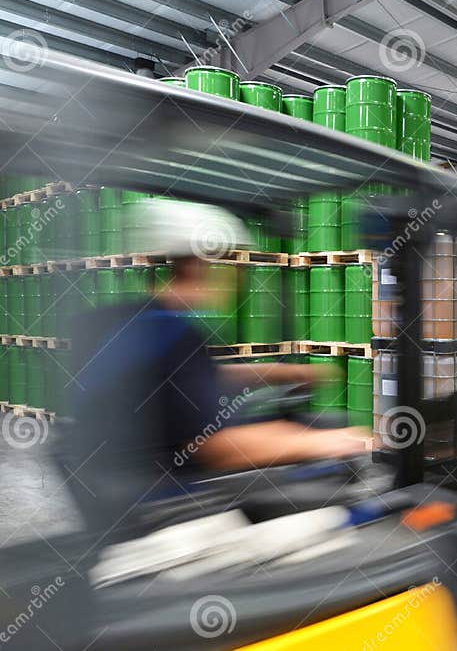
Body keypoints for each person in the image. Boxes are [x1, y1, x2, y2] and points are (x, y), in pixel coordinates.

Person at [68, 200, 369, 541]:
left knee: (300, 430)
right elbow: (217, 446)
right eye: (231, 266)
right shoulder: (175, 334)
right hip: (160, 498)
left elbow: (181, 381)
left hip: (116, 479)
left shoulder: (135, 319)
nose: (239, 280)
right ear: (199, 264)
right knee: (322, 476)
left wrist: (279, 373)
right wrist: (327, 442)